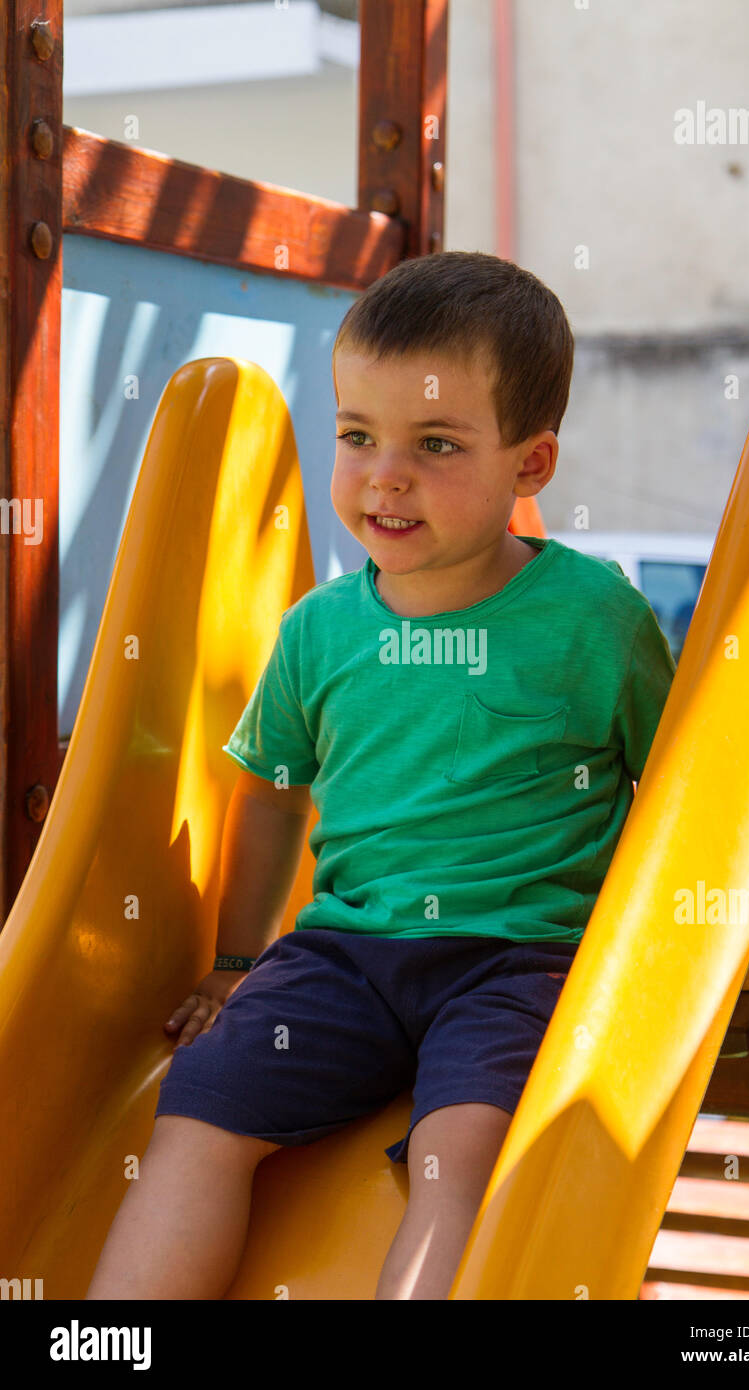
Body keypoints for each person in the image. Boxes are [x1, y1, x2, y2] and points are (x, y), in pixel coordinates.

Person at [85, 250, 676, 1301]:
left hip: (517, 959)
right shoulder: (319, 630)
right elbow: (270, 792)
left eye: (434, 444)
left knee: (457, 1154)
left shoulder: (593, 619)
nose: (382, 476)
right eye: (356, 436)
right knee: (199, 1110)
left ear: (528, 464)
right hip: (344, 954)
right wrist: (232, 959)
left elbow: (672, 794)